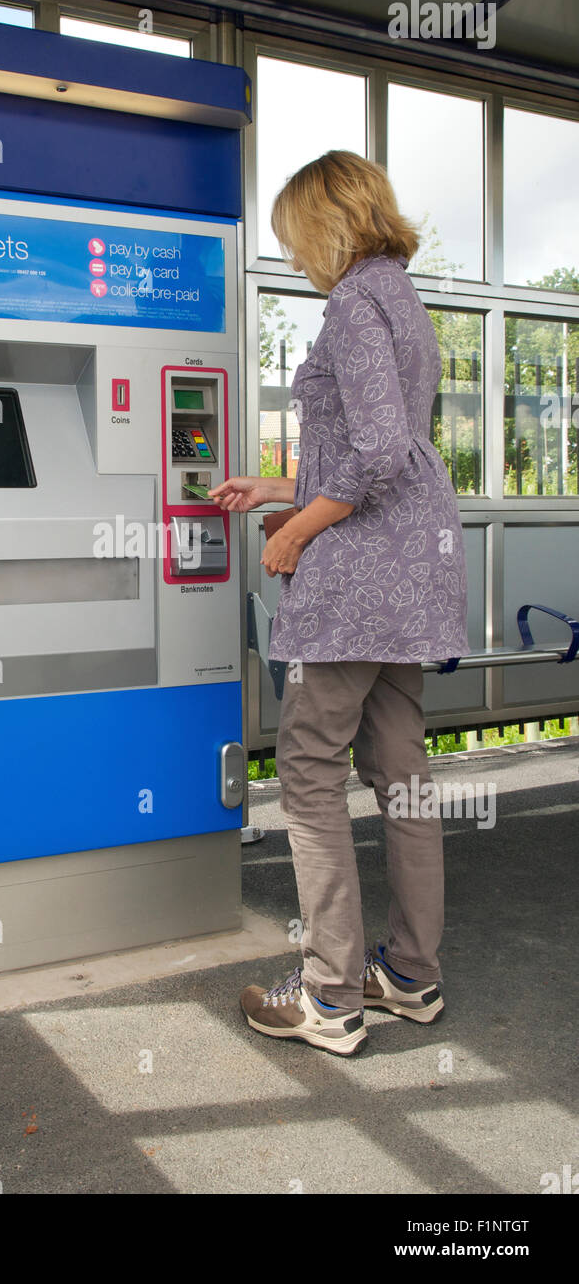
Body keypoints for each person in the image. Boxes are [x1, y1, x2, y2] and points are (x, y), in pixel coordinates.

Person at [211, 150, 469, 1057]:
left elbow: (375, 458)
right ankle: (408, 976)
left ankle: (327, 995)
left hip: (360, 579)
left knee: (309, 771)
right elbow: (375, 446)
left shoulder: (353, 302)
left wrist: (293, 533)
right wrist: (274, 485)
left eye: (292, 237)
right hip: (411, 571)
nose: (292, 256)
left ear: (326, 221)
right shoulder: (402, 298)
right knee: (401, 772)